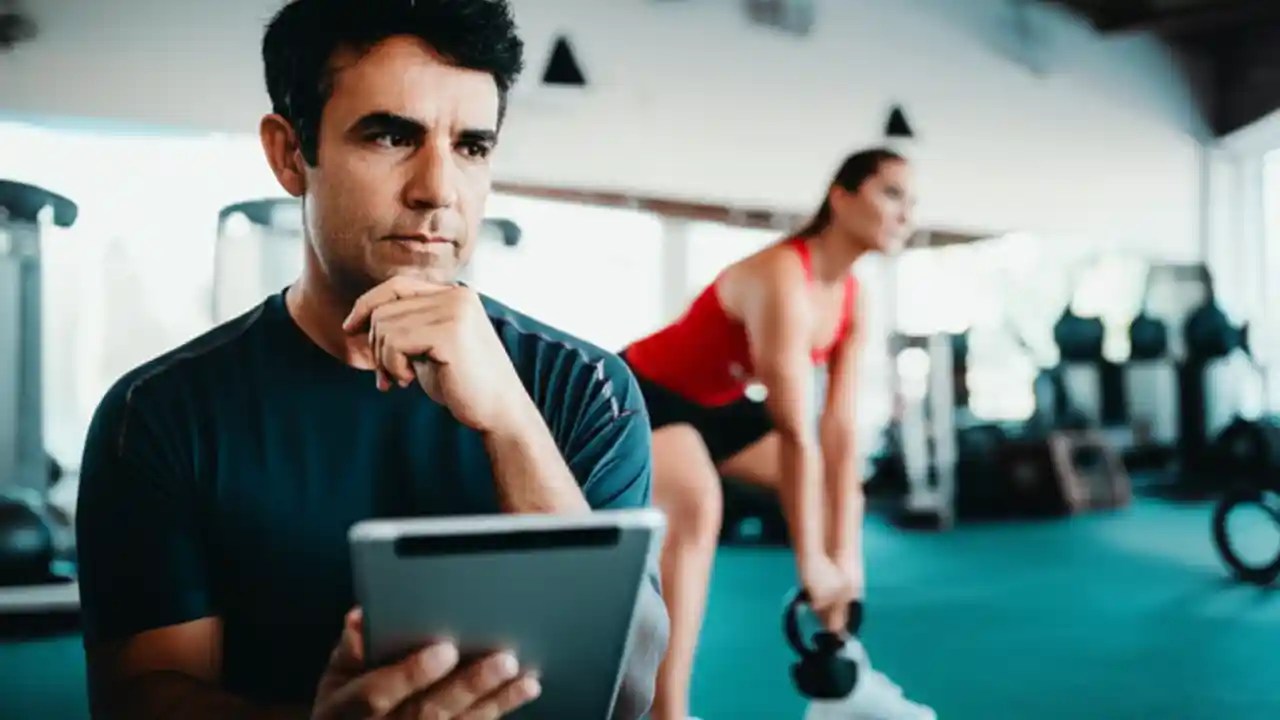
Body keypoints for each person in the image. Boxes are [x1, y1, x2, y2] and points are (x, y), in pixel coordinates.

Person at [74, 2, 667, 719]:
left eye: (472, 147)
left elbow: (631, 693)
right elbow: (139, 696)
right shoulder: (160, 414)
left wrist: (514, 426)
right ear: (290, 154)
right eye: (391, 136)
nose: (439, 191)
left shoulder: (587, 390)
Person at [620, 148, 935, 720]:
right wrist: (810, 558)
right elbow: (797, 434)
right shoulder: (783, 276)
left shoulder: (852, 297)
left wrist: (847, 562)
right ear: (841, 197)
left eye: (912, 202)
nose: (905, 214)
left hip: (719, 404)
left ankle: (841, 681)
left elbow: (838, 434)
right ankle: (666, 714)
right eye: (891, 194)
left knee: (835, 489)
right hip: (646, 391)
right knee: (697, 505)